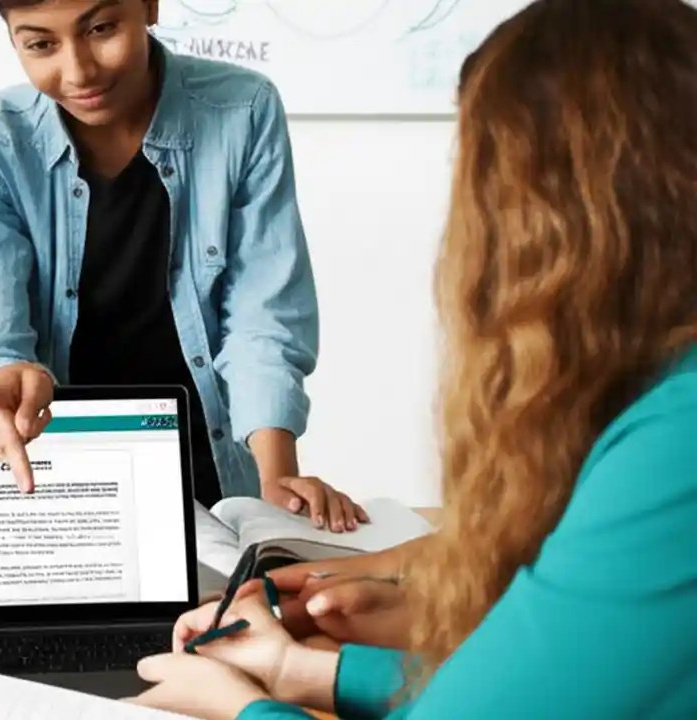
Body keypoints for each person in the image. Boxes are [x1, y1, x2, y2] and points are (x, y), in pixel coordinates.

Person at [124, 0, 697, 716]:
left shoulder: (677, 446)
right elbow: (539, 680)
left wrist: (243, 707)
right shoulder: (665, 402)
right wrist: (300, 670)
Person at [0, 0, 363, 531]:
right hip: (58, 485)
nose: (79, 72)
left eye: (101, 29)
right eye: (41, 45)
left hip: (213, 475)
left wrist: (276, 484)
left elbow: (264, 315)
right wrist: (5, 377)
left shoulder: (241, 111)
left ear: (149, 6)